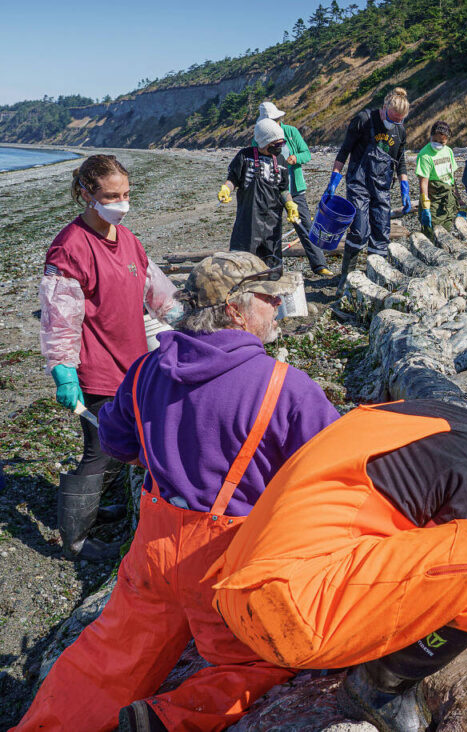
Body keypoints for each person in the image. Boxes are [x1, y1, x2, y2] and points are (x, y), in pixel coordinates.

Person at [15, 252, 340, 732]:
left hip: (154, 548)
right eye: (270, 298)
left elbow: (118, 441)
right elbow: (331, 474)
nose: (278, 308)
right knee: (255, 662)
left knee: (110, 654)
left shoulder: (148, 369)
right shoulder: (285, 387)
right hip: (222, 564)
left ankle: (43, 726)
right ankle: (166, 720)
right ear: (235, 310)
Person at [208, 401, 467, 730]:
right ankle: (378, 688)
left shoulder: (437, 417)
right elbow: (443, 585)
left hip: (236, 587)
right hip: (288, 615)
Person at [39, 154, 180, 561]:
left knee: (124, 442)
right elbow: (59, 318)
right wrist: (63, 372)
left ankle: (98, 509)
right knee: (99, 450)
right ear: (86, 193)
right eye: (111, 195)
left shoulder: (128, 239)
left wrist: (186, 322)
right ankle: (75, 539)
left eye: (126, 194)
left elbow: (159, 293)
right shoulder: (70, 248)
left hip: (133, 363)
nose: (121, 202)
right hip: (96, 368)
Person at [322, 87, 412, 290]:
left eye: (399, 120)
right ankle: (345, 280)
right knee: (360, 231)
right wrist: (334, 179)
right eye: (392, 118)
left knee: (381, 233)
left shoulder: (400, 130)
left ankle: (374, 279)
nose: (394, 123)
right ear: (385, 107)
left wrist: (404, 187)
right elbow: (344, 151)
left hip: (382, 187)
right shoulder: (363, 120)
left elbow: (401, 161)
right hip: (359, 183)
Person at [252, 101, 333, 277]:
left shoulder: (291, 132)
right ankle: (271, 268)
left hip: (294, 190)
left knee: (304, 225)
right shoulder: (259, 136)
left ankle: (319, 264)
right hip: (271, 191)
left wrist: (296, 158)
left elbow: (307, 153)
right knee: (271, 230)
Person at [219, 118, 302, 267]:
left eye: (282, 144)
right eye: (277, 144)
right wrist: (226, 189)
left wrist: (290, 203)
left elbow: (283, 189)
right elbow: (233, 179)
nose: (280, 147)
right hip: (248, 223)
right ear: (265, 142)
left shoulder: (281, 161)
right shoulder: (245, 156)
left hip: (273, 223)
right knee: (242, 265)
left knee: (271, 266)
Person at [416, 120, 466, 242]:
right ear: (431, 136)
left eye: (442, 142)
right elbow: (423, 183)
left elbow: (451, 179)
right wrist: (425, 207)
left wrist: (459, 201)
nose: (438, 144)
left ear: (447, 140)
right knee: (431, 236)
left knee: (446, 236)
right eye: (436, 141)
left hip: (447, 200)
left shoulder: (448, 151)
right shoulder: (424, 155)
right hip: (433, 200)